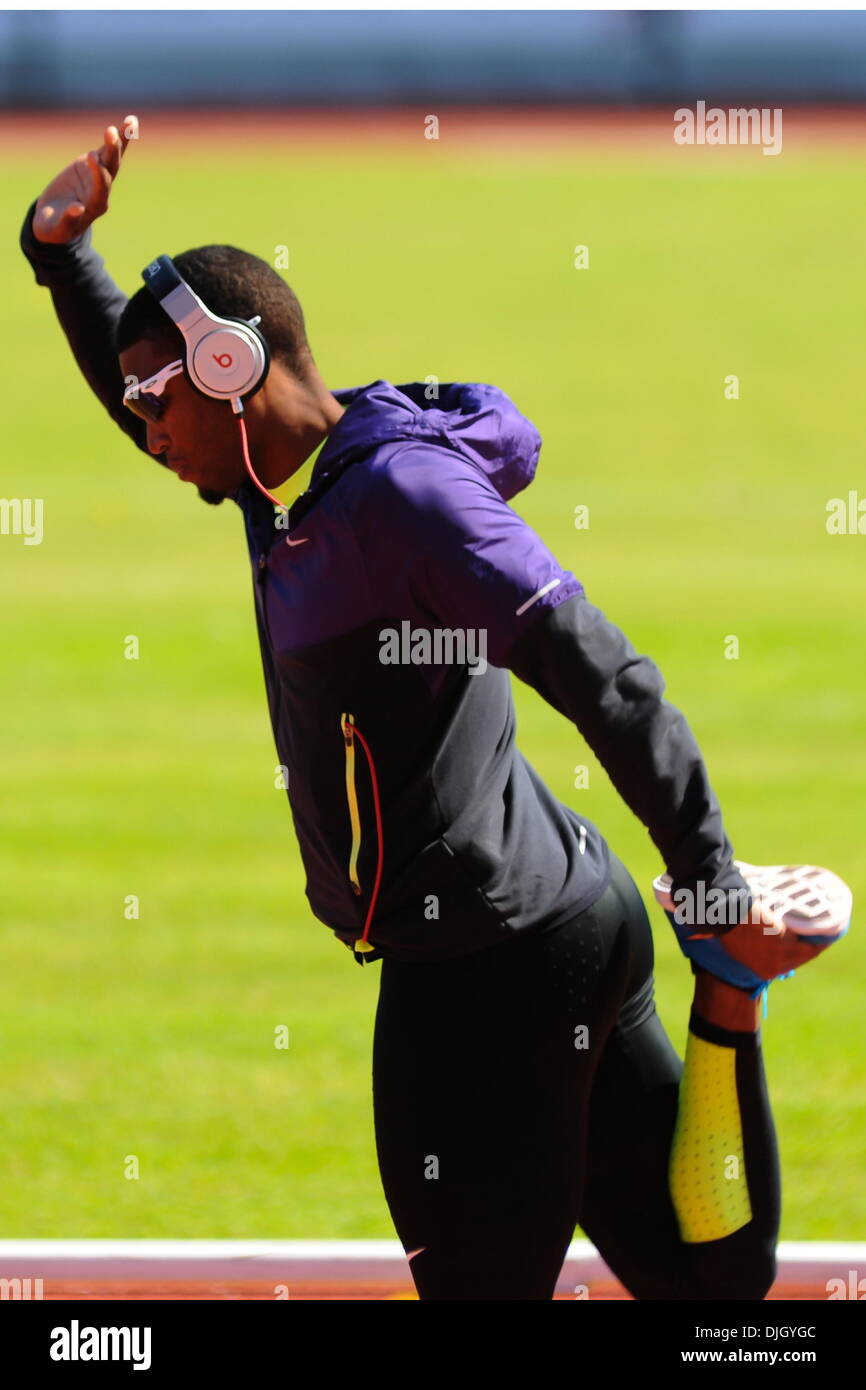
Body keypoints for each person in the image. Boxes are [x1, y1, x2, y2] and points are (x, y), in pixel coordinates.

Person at [20, 115, 837, 1301]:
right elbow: (146, 391)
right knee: (711, 1289)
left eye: (159, 401)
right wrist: (61, 256)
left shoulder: (404, 503)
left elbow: (603, 672)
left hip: (484, 972)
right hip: (560, 919)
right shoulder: (282, 483)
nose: (141, 430)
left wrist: (707, 863)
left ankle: (717, 927)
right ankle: (728, 989)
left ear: (232, 371)